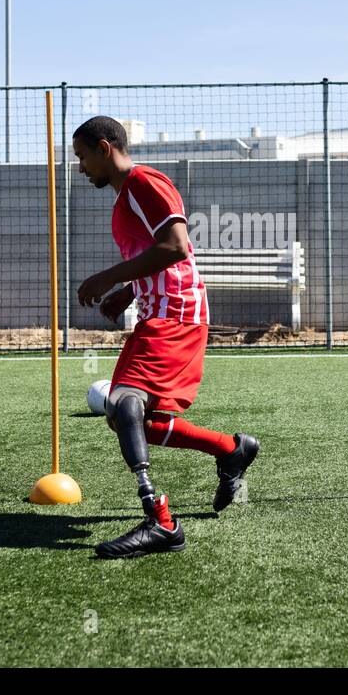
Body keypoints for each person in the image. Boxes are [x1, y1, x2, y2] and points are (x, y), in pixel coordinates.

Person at [73, 115, 259, 559]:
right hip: (161, 312)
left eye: (82, 157)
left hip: (175, 315)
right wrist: (126, 292)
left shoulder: (144, 182)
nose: (80, 169)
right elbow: (154, 256)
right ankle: (231, 450)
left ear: (104, 147)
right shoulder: (125, 199)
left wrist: (106, 277)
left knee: (123, 405)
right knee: (139, 421)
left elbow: (176, 246)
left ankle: (161, 522)